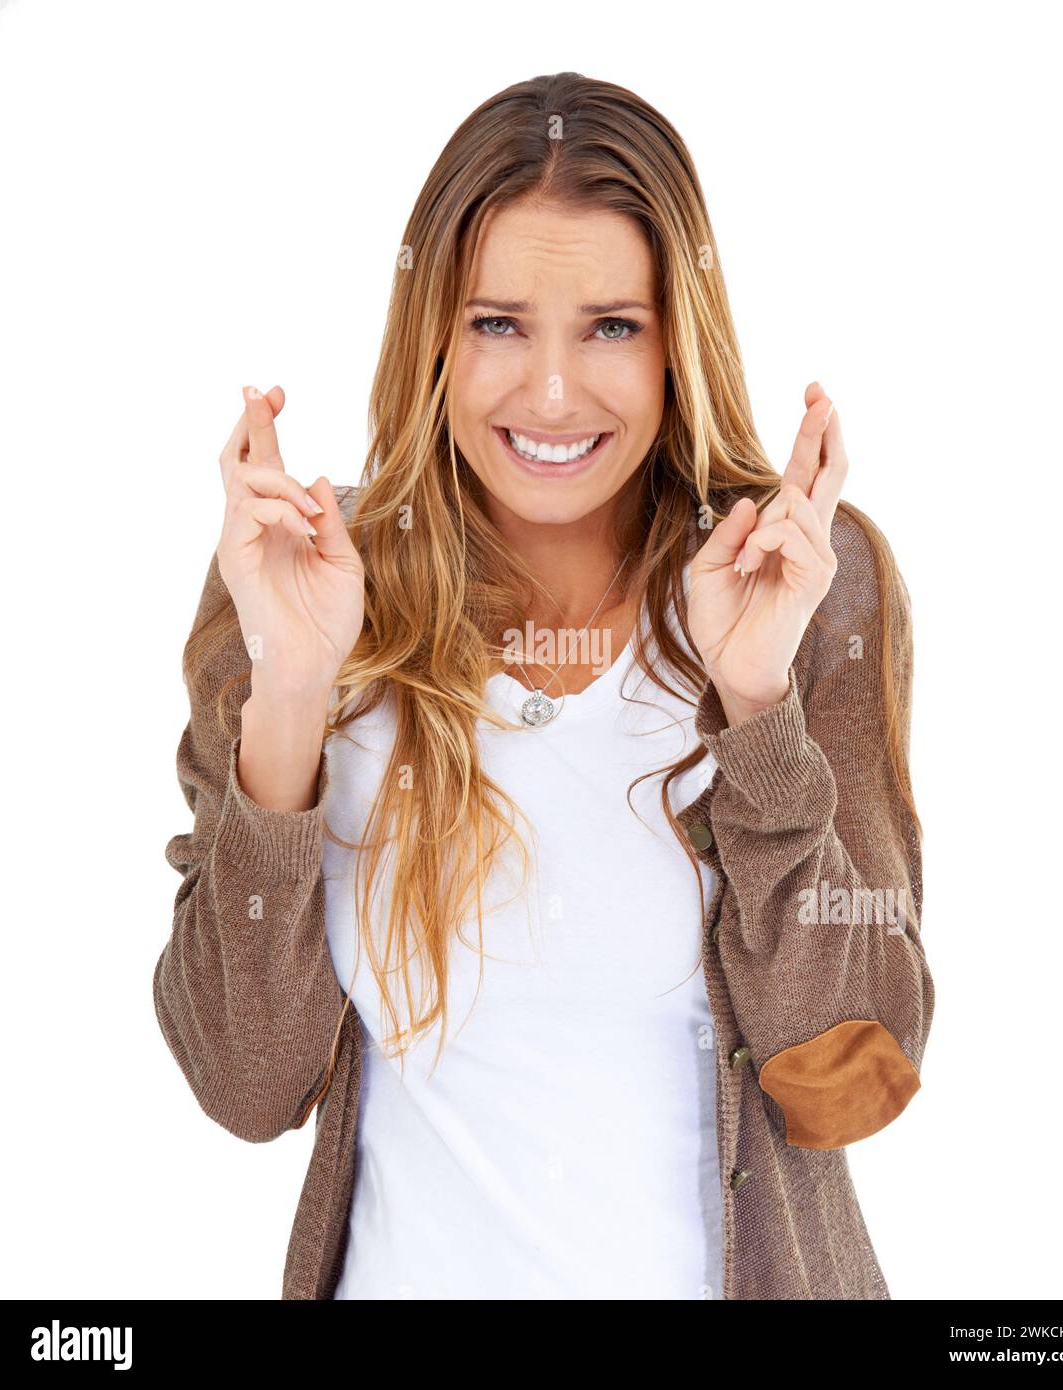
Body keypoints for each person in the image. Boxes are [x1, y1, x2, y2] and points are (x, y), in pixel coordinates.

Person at [154, 71, 934, 1301]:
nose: (554, 392)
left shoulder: (805, 584)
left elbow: (851, 1078)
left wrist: (757, 714)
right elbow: (245, 1085)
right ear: (433, 338)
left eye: (611, 326)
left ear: (680, 336)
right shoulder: (304, 585)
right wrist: (292, 700)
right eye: (497, 323)